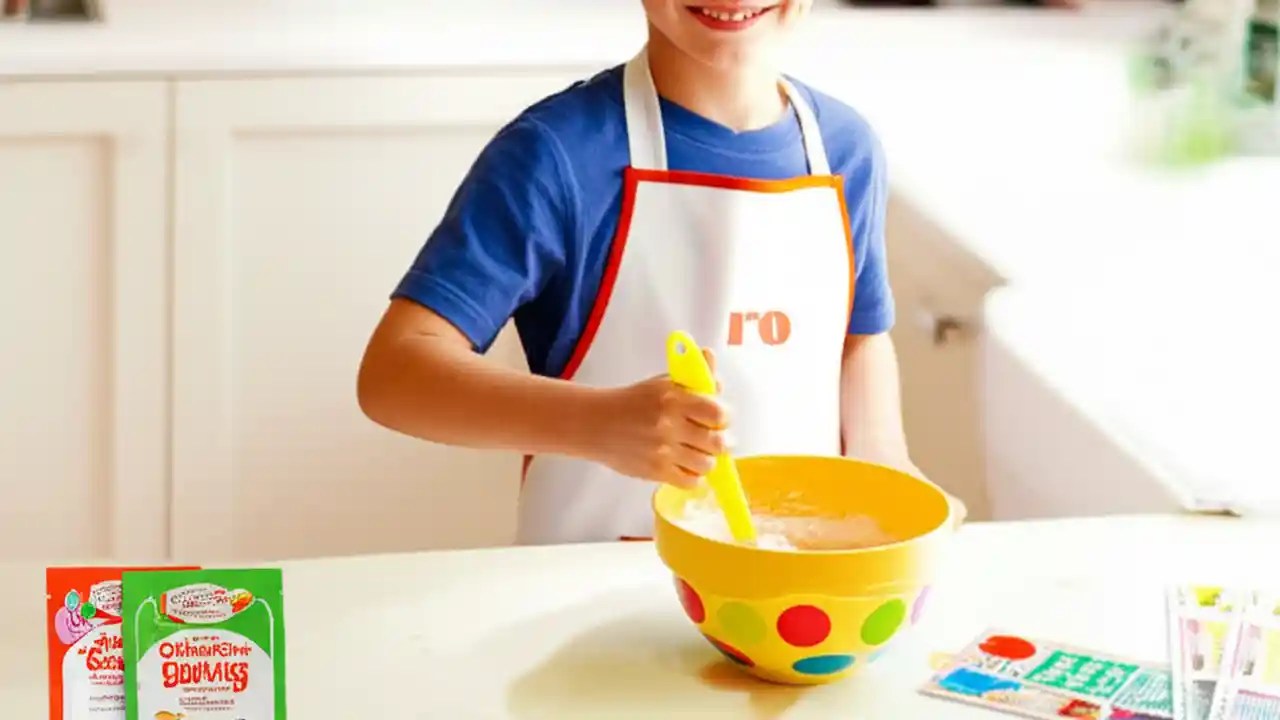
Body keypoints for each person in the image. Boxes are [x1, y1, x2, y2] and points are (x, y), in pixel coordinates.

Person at [357, 0, 966, 545]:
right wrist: (600, 425)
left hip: (788, 593)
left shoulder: (845, 149)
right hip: (589, 595)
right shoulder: (555, 155)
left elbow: (858, 338)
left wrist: (884, 461)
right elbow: (393, 375)